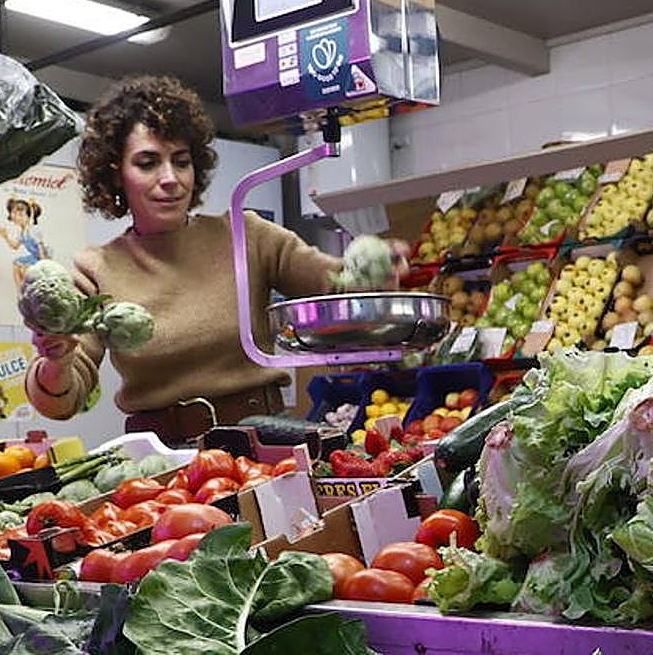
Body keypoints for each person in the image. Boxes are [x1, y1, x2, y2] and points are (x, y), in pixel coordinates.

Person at [24, 75, 399, 446]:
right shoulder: (96, 271)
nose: (170, 179)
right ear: (116, 173)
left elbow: (336, 288)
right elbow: (62, 401)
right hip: (163, 465)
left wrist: (375, 271)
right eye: (148, 163)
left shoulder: (247, 234)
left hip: (264, 444)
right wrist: (56, 358)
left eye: (181, 161)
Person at [0, 198, 50, 292]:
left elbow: (40, 248)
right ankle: (20, 291)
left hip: (42, 257)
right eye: (15, 214)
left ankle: (30, 292)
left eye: (21, 215)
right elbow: (15, 246)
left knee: (25, 269)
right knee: (16, 264)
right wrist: (6, 237)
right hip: (34, 257)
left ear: (29, 217)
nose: (17, 217)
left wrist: (44, 265)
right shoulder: (22, 232)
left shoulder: (33, 230)